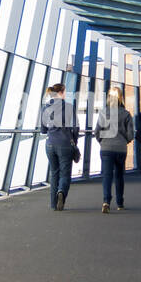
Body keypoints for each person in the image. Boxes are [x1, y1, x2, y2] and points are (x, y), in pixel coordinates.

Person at [94, 86, 134, 213]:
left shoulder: (103, 112)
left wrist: (102, 141)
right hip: (121, 148)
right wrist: (124, 141)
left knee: (107, 175)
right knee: (119, 175)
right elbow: (131, 134)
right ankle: (120, 203)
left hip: (106, 148)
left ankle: (106, 201)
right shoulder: (126, 114)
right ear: (121, 98)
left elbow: (97, 131)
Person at [39, 82, 78, 211]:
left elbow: (43, 129)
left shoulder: (46, 107)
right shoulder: (68, 107)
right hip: (65, 143)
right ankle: (61, 191)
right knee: (65, 174)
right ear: (61, 92)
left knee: (54, 173)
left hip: (50, 144)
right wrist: (74, 141)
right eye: (65, 92)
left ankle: (53, 204)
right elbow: (75, 127)